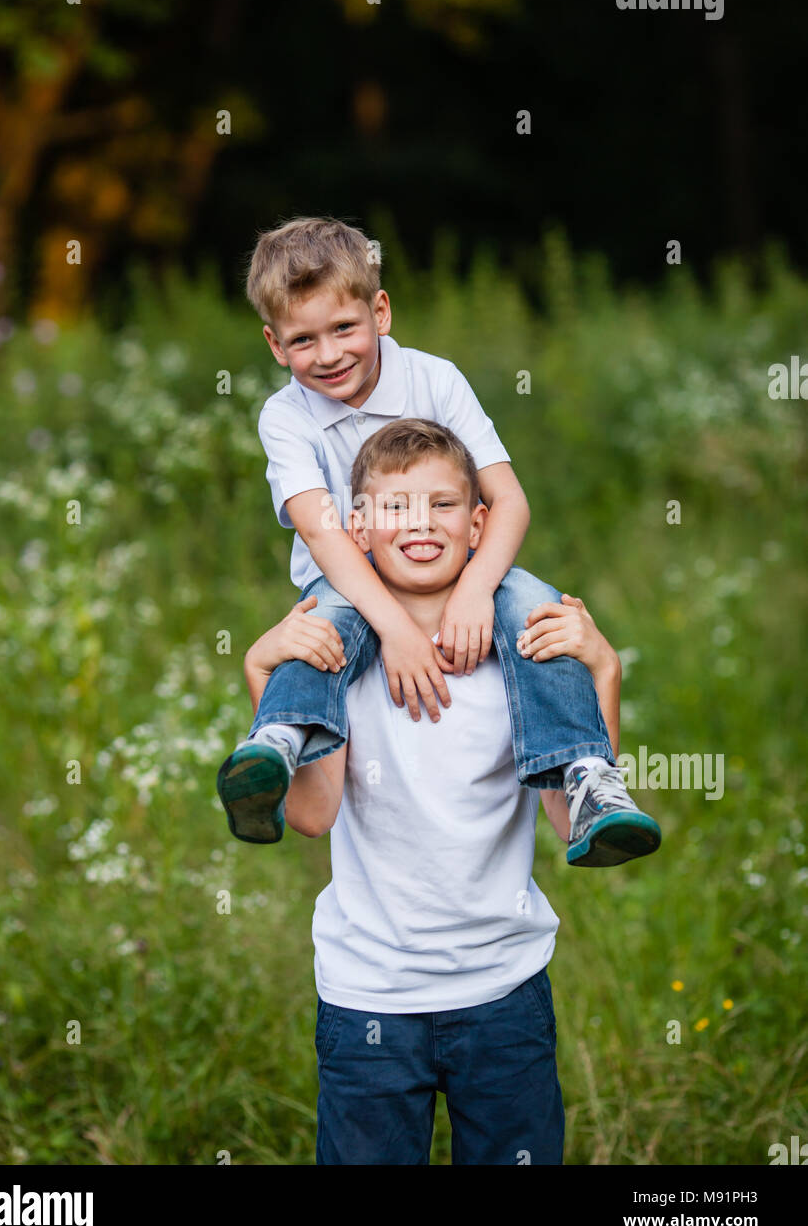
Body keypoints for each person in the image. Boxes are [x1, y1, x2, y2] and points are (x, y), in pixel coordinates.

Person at [241, 420, 638, 1164]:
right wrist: (261, 677)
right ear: (356, 528)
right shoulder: (338, 659)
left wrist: (605, 673)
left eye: (443, 506)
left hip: (503, 991)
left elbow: (566, 819)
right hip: (371, 997)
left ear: (479, 523)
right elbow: (312, 815)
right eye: (394, 508)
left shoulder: (524, 654)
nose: (419, 524)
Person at [218, 217, 660, 868]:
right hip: (344, 575)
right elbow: (323, 529)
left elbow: (507, 500)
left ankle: (590, 780)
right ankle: (279, 746)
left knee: (540, 614)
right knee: (318, 636)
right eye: (303, 340)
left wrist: (478, 589)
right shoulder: (285, 415)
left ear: (381, 311)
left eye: (344, 329)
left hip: (458, 566)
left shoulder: (434, 379)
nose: (329, 353)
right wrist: (394, 628)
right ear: (275, 345)